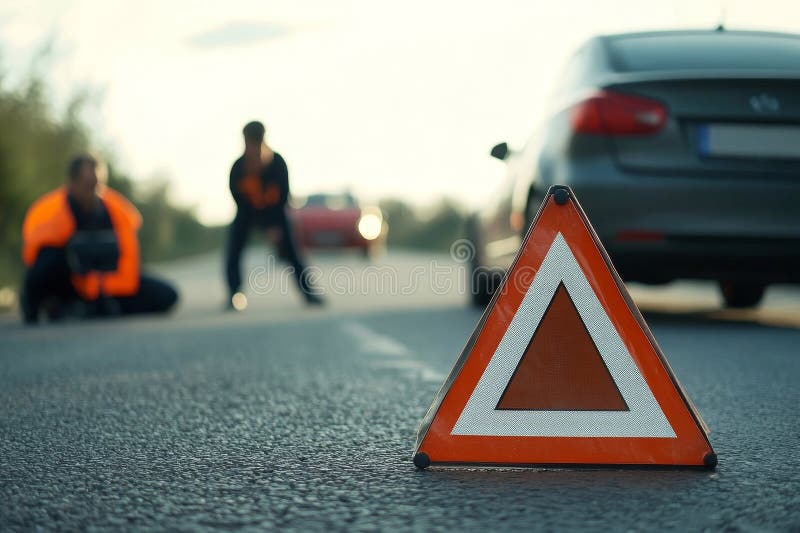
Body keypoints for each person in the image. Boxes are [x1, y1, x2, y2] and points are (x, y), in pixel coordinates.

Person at [19, 154, 179, 324]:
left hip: (109, 283)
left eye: (99, 184)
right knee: (48, 259)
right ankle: (61, 305)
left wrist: (99, 288)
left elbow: (129, 268)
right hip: (71, 283)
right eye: (88, 184)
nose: (95, 191)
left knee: (167, 295)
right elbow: (35, 260)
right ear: (71, 184)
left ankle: (90, 308)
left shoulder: (118, 212)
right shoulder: (51, 211)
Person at [225, 120, 323, 309]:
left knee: (292, 250)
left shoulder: (277, 163)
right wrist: (256, 219)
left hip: (275, 214)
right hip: (247, 213)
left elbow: (284, 196)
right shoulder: (239, 167)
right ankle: (234, 294)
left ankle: (309, 293)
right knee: (234, 247)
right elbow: (237, 197)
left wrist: (273, 226)